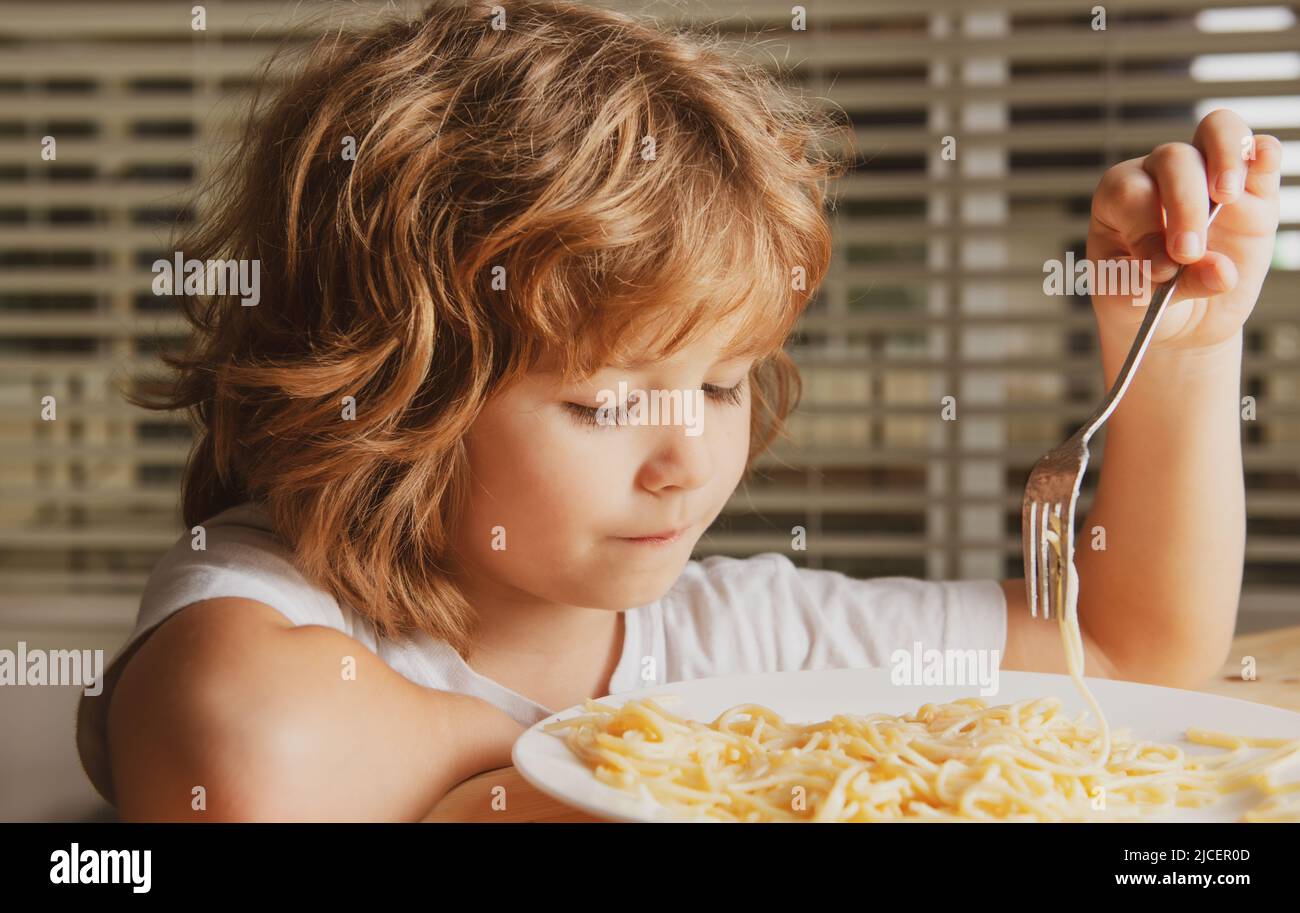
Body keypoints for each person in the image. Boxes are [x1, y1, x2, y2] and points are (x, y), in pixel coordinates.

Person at [75, 0, 1281, 821]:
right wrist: (686, 768)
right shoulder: (272, 602)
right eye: (605, 405)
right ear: (390, 400)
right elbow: (236, 754)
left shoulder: (742, 642)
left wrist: (1176, 352)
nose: (688, 459)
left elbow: (1132, 653)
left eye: (719, 383)